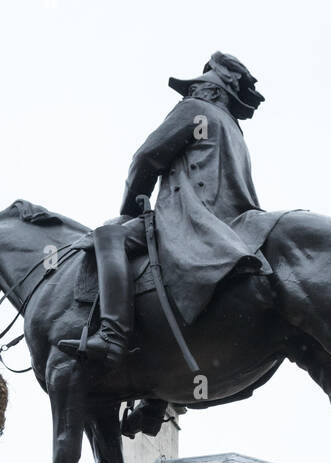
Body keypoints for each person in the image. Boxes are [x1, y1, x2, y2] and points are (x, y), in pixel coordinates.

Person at [58, 53, 270, 370]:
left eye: (198, 87)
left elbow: (145, 159)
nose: (191, 93)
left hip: (194, 216)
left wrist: (129, 211)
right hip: (234, 223)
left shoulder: (196, 110)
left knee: (109, 235)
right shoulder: (234, 130)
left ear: (212, 91)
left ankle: (112, 337)